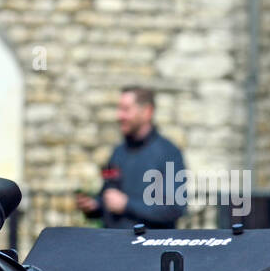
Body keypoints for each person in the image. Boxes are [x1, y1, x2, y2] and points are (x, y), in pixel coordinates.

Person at [75, 86, 187, 229]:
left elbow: (174, 209)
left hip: (150, 247)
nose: (119, 116)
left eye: (126, 109)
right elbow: (109, 197)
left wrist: (126, 204)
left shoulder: (169, 153)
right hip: (114, 244)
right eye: (119, 109)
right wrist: (94, 205)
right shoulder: (118, 152)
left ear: (147, 112)